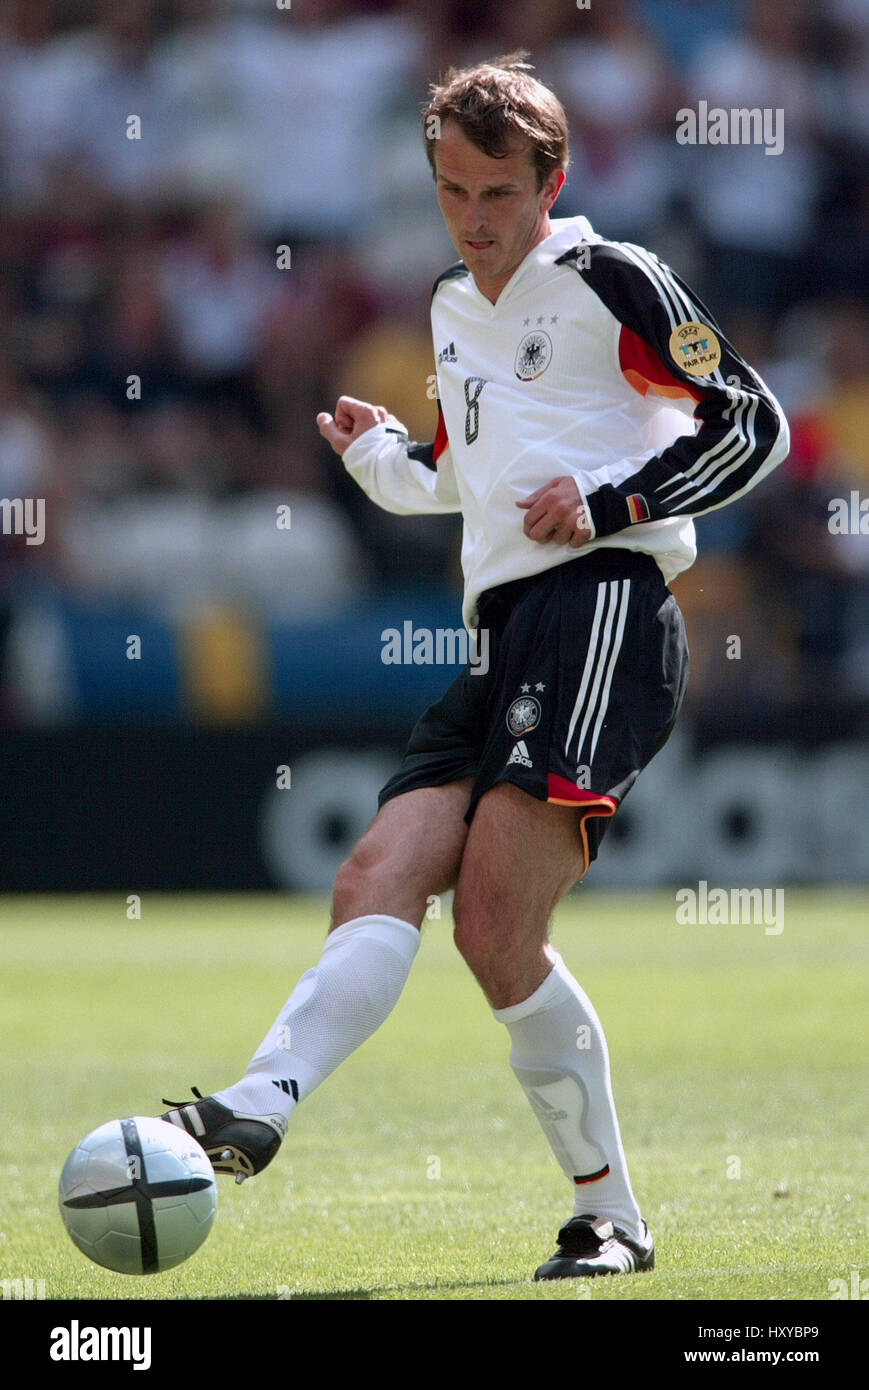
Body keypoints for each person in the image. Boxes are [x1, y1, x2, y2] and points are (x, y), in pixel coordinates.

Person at [161, 53, 789, 1280]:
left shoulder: (614, 278)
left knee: (495, 922)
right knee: (369, 876)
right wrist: (378, 457)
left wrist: (614, 501)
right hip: (498, 631)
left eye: (497, 193)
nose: (473, 217)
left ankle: (608, 1216)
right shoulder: (451, 304)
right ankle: (256, 1106)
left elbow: (751, 423)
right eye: (452, 190)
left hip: (604, 607)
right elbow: (467, 472)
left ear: (550, 181)